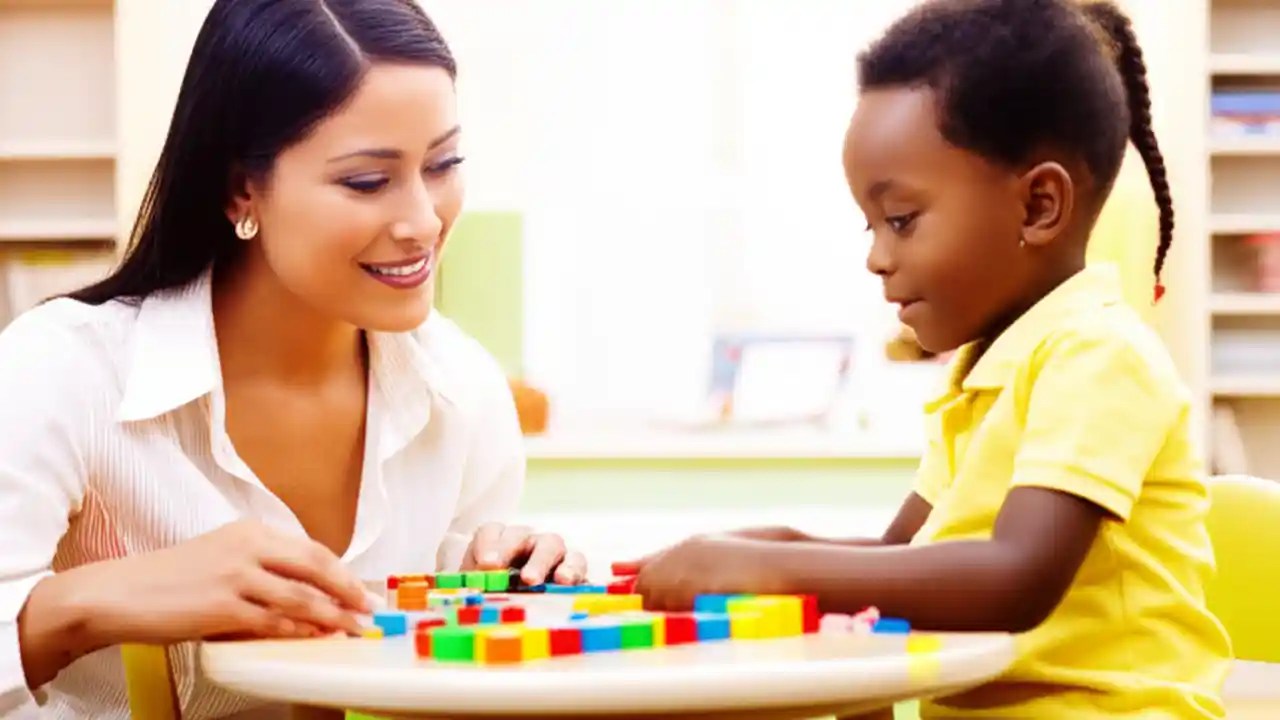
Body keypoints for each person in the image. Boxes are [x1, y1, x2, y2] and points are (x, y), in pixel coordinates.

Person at [629, 1, 1232, 717]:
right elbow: (904, 560)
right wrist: (779, 545)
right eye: (871, 224)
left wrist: (771, 567)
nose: (877, 258)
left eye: (902, 220)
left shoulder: (1098, 353)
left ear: (1039, 205)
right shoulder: (983, 372)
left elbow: (1015, 578)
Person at [0, 1, 585, 717]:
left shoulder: (461, 392)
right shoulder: (61, 372)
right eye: (368, 181)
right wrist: (91, 603)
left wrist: (493, 598)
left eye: (442, 164)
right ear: (241, 187)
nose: (424, 222)